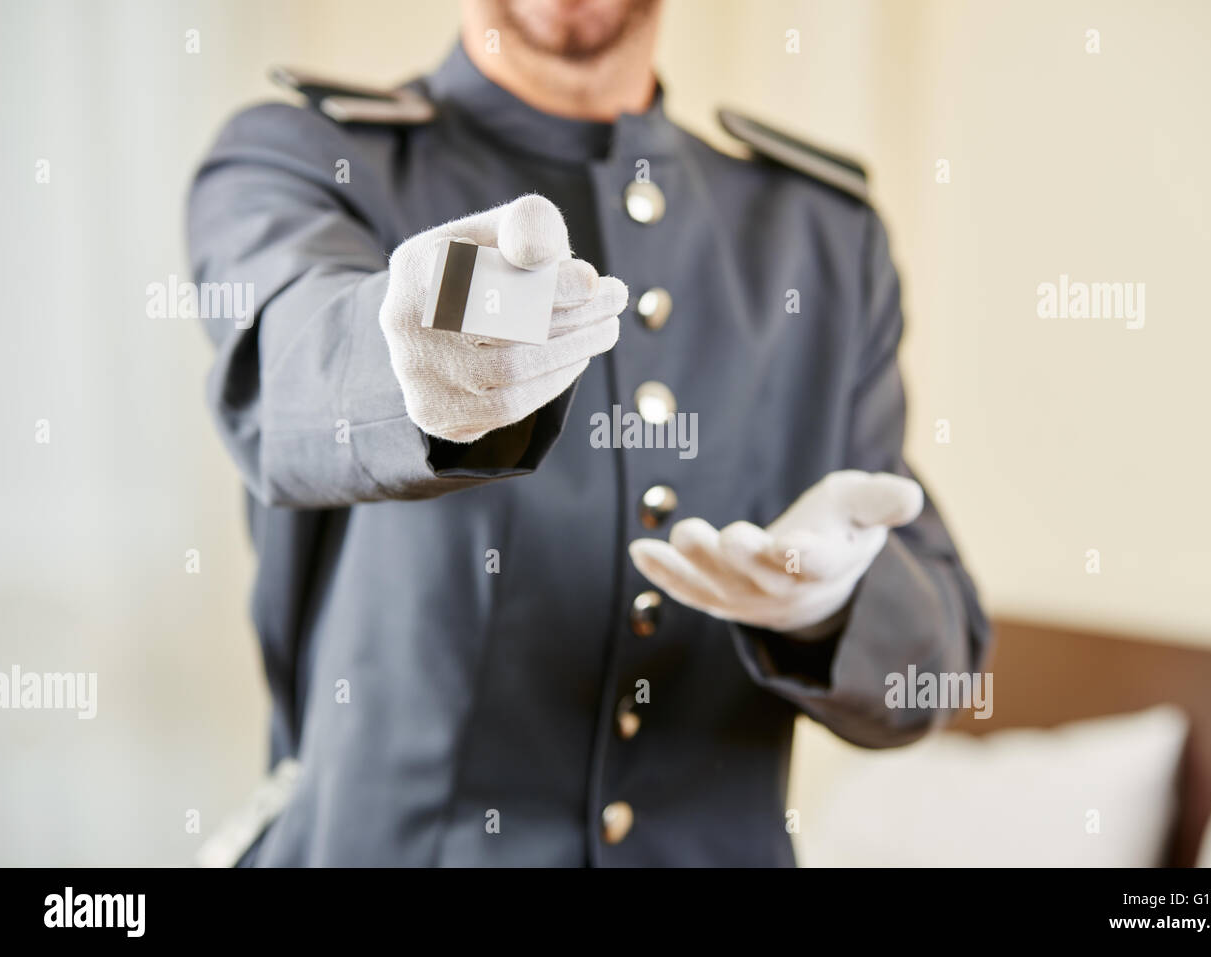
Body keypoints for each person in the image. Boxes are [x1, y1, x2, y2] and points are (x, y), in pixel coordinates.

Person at [186, 0, 990, 866]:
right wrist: (402, 360)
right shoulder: (307, 156)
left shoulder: (824, 238)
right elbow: (289, 361)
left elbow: (938, 674)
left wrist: (832, 607)